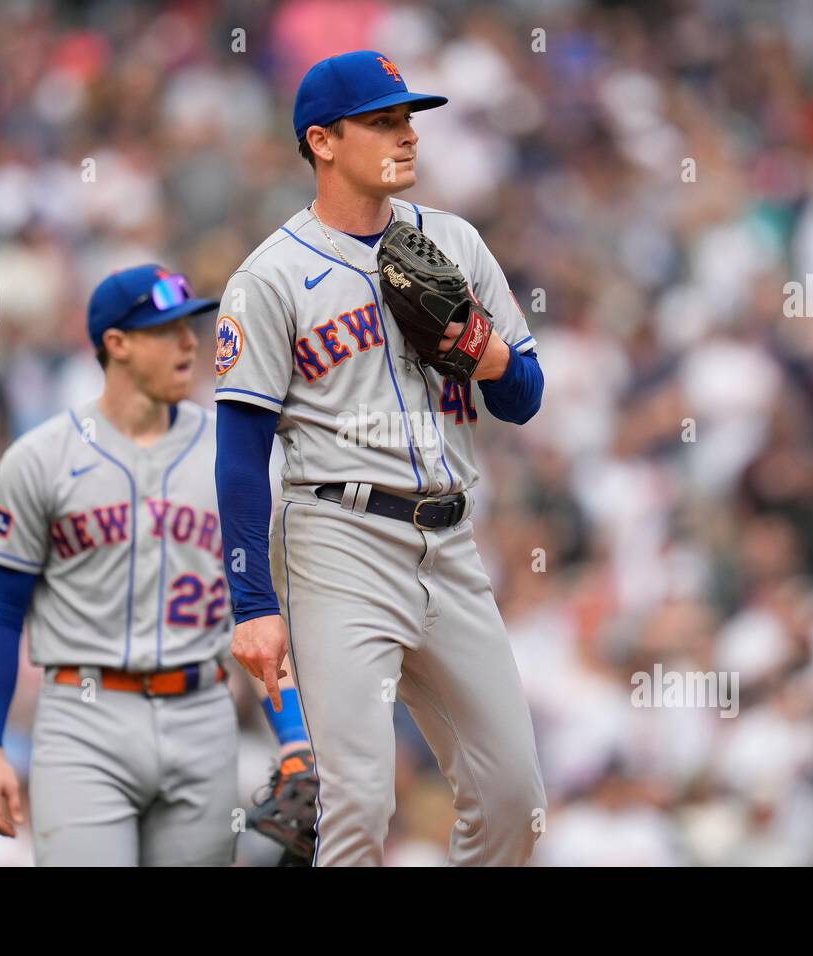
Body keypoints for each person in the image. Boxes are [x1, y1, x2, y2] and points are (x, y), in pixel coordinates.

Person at [214, 50, 547, 866]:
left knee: (514, 800)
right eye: (383, 121)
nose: (406, 135)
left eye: (409, 119)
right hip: (339, 536)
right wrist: (252, 601)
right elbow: (237, 453)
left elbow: (526, 396)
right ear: (322, 141)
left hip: (451, 541)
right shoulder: (271, 279)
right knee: (355, 801)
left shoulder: (455, 243)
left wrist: (485, 351)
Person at [0, 264, 311, 865]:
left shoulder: (232, 456)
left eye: (190, 327)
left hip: (202, 711)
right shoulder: (40, 458)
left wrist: (293, 737)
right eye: (165, 330)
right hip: (84, 718)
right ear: (116, 345)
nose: (188, 343)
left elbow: (257, 615)